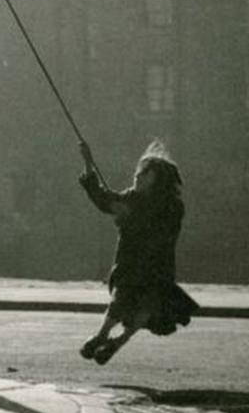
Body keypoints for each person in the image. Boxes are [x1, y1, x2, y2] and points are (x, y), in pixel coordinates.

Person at [78, 140, 199, 365]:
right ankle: (105, 337)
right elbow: (103, 199)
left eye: (144, 174)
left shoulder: (170, 205)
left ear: (157, 180)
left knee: (143, 305)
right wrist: (88, 162)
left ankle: (113, 339)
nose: (137, 176)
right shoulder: (136, 199)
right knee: (126, 300)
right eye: (137, 172)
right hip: (137, 263)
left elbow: (160, 231)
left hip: (152, 264)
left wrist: (130, 219)